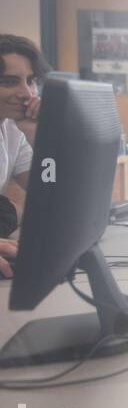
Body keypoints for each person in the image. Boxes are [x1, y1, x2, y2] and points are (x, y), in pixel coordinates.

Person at [0, 33, 45, 278]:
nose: (27, 93)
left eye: (31, 81)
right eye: (9, 82)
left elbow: (49, 189)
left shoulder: (12, 129)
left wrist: (40, 140)